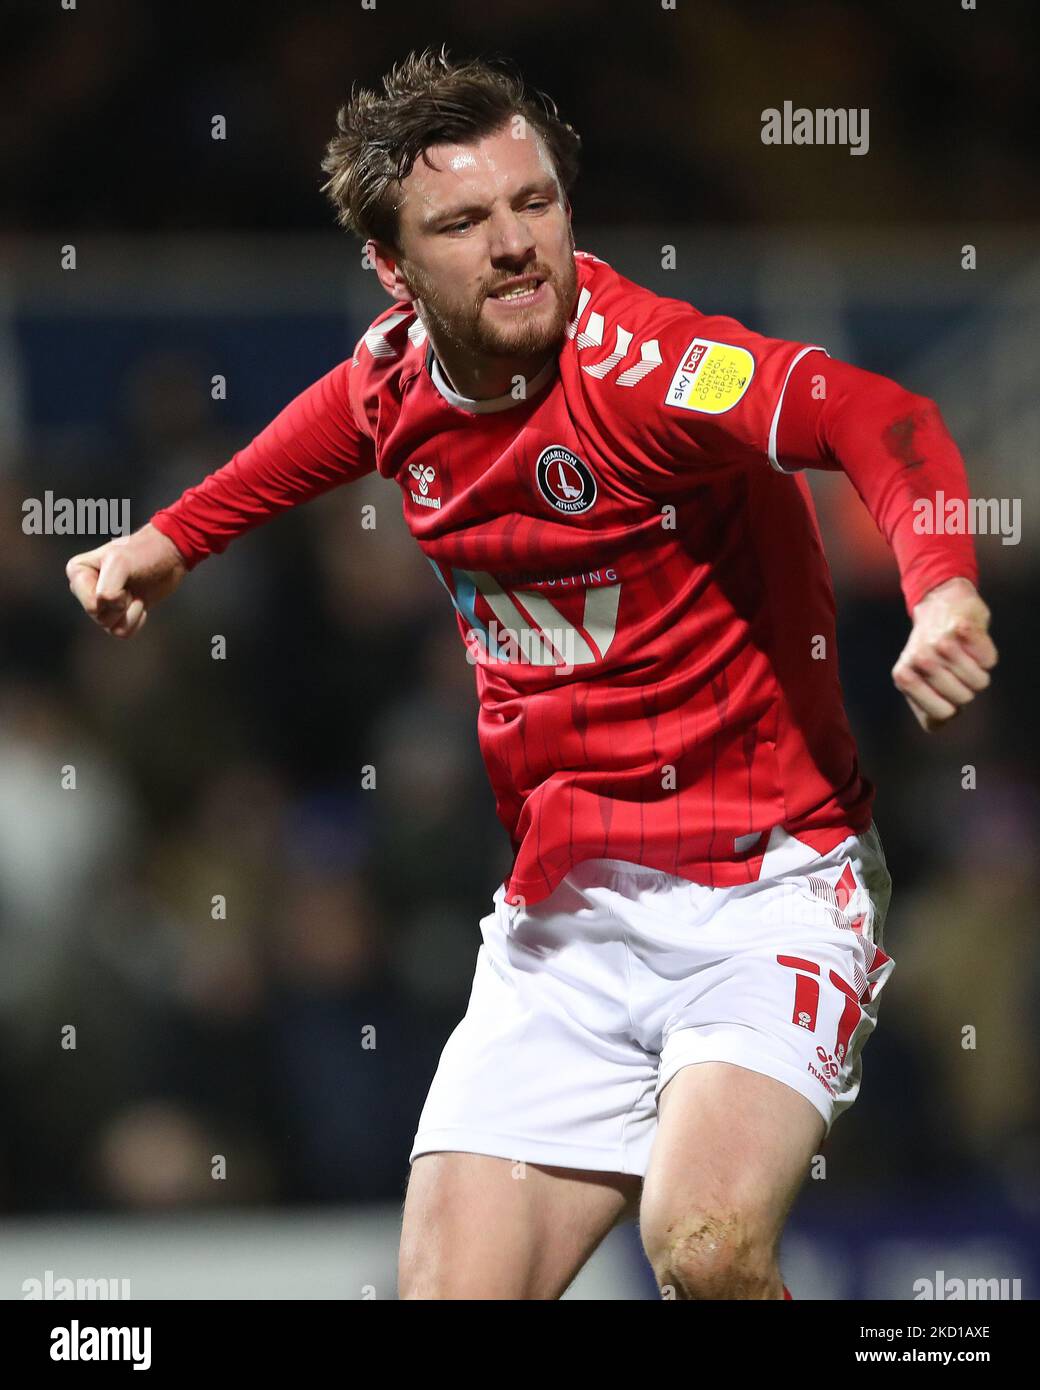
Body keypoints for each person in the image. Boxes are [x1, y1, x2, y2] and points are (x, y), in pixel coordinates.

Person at [66, 47, 998, 1300]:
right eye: (463, 220)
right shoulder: (400, 374)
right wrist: (169, 541)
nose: (514, 243)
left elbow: (874, 416)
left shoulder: (645, 370)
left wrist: (938, 580)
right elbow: (317, 433)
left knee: (706, 1247)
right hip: (561, 924)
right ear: (392, 271)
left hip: (766, 884)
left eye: (535, 203)